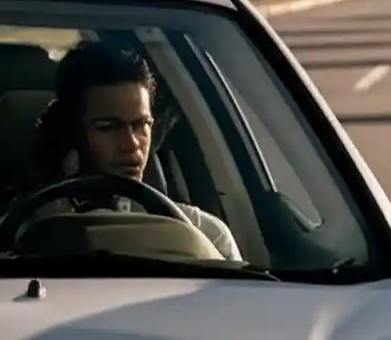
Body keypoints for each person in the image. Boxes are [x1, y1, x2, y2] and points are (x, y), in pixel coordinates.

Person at [30, 40, 243, 261]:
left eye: (141, 125)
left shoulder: (206, 236)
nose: (131, 144)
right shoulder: (31, 232)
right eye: (108, 127)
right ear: (74, 131)